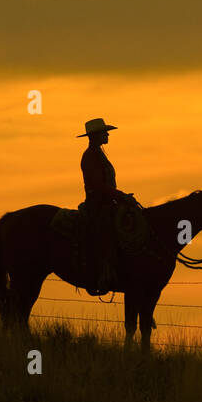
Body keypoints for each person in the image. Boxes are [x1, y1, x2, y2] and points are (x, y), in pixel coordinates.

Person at [77, 117, 130, 294]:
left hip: (106, 201)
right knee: (106, 230)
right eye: (104, 132)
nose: (107, 134)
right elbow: (99, 186)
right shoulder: (91, 156)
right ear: (95, 136)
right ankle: (104, 272)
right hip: (97, 203)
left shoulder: (97, 153)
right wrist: (119, 195)